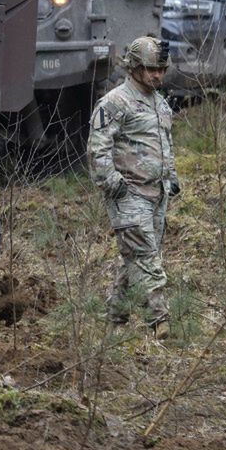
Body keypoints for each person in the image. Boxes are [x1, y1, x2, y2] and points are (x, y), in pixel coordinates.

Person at [86, 36, 178, 335]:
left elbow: (166, 145)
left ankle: (115, 323)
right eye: (152, 69)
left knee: (135, 259)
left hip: (158, 193)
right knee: (146, 258)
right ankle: (160, 322)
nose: (158, 75)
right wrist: (112, 183)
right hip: (129, 194)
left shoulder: (160, 103)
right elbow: (97, 148)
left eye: (162, 69)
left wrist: (172, 178)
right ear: (135, 67)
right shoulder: (114, 102)